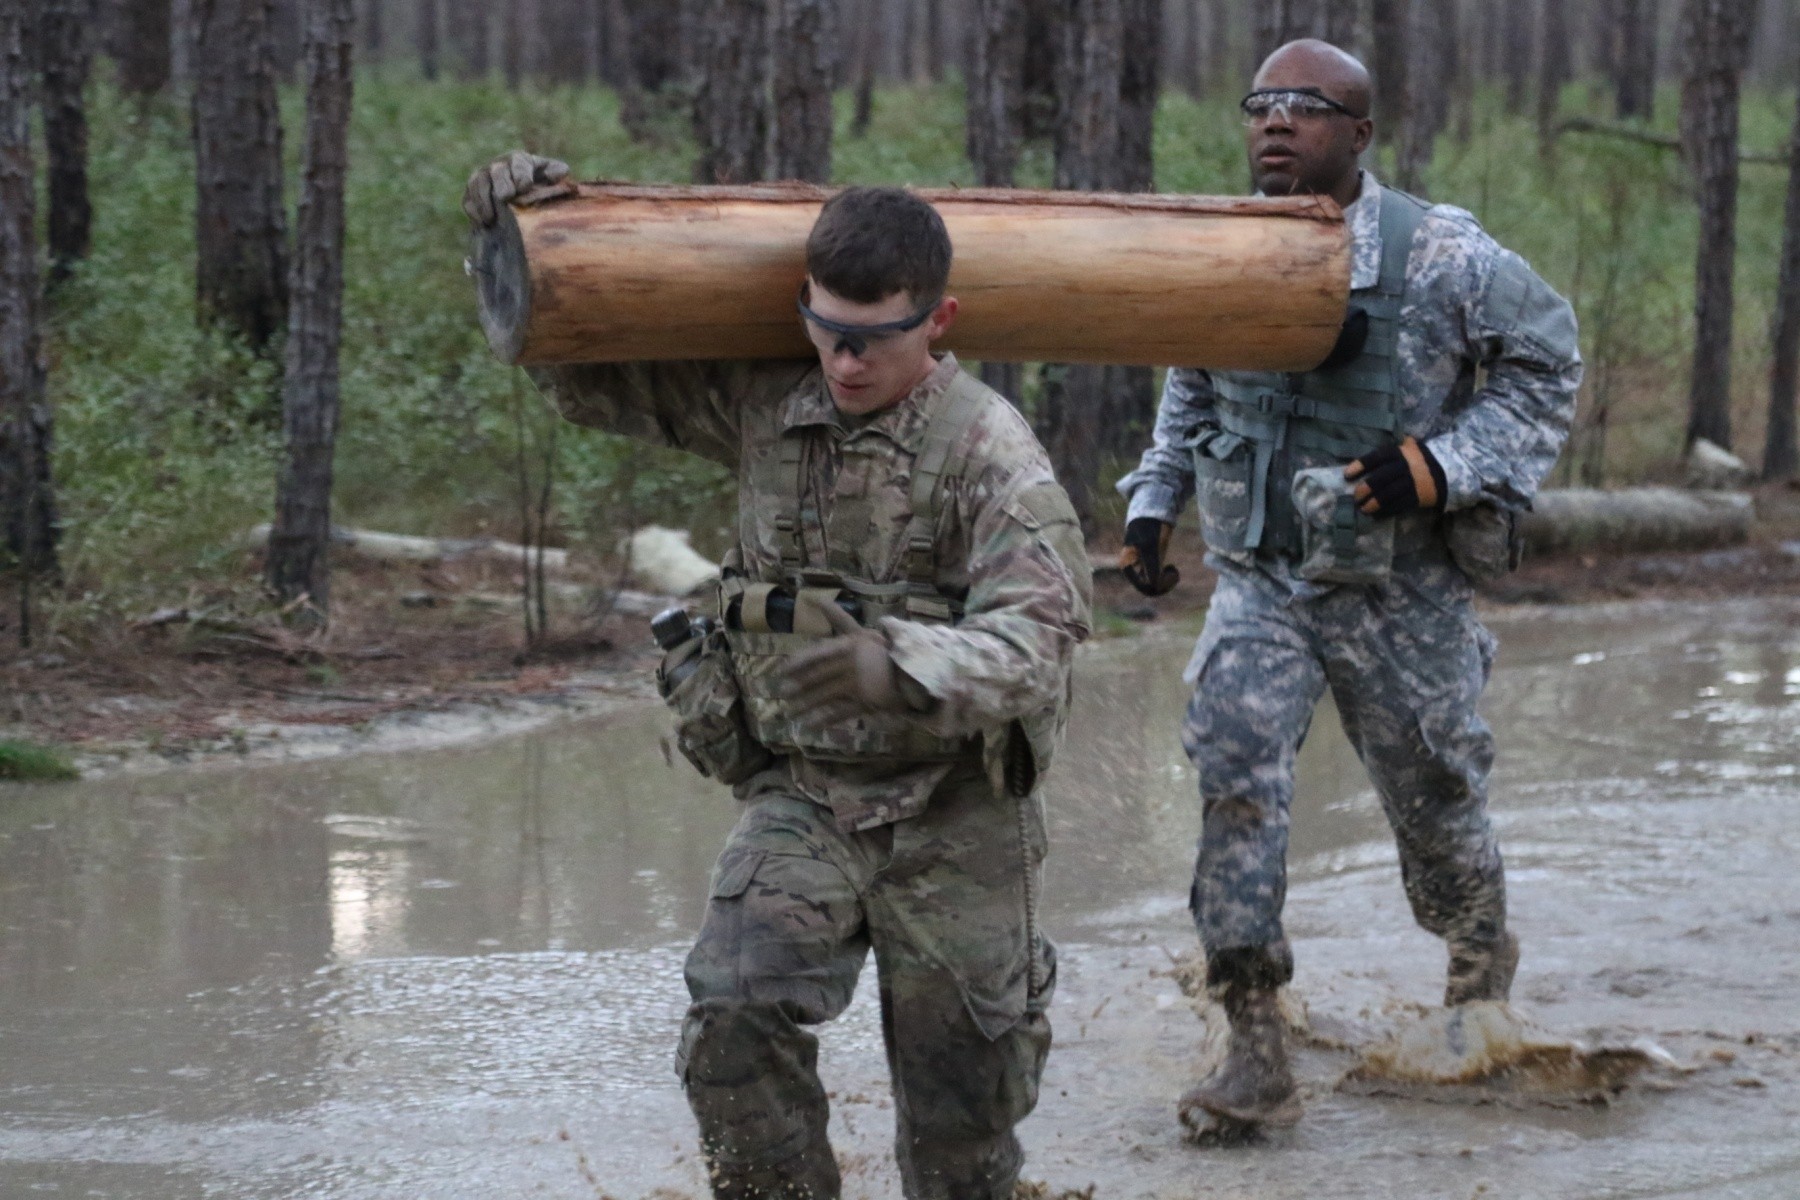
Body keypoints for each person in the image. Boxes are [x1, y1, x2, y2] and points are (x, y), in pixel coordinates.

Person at [465, 160, 1092, 1199]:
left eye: (875, 338)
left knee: (962, 1127)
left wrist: (900, 662)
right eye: (826, 328)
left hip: (956, 812)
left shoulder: (990, 451)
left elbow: (1043, 630)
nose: (844, 363)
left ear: (939, 321)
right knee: (733, 1017)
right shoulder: (768, 404)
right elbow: (582, 370)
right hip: (806, 794)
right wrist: (517, 234)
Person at [1113, 40, 1581, 1134]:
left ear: (1359, 135)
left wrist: (1440, 467)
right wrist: (1153, 501)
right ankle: (1252, 1037)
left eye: (1307, 108)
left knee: (1436, 805)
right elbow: (1192, 388)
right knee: (1233, 773)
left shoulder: (1439, 253)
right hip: (1261, 583)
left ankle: (1477, 981)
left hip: (1399, 591)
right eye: (1262, 106)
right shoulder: (1223, 252)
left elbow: (1549, 359)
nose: (1276, 124)